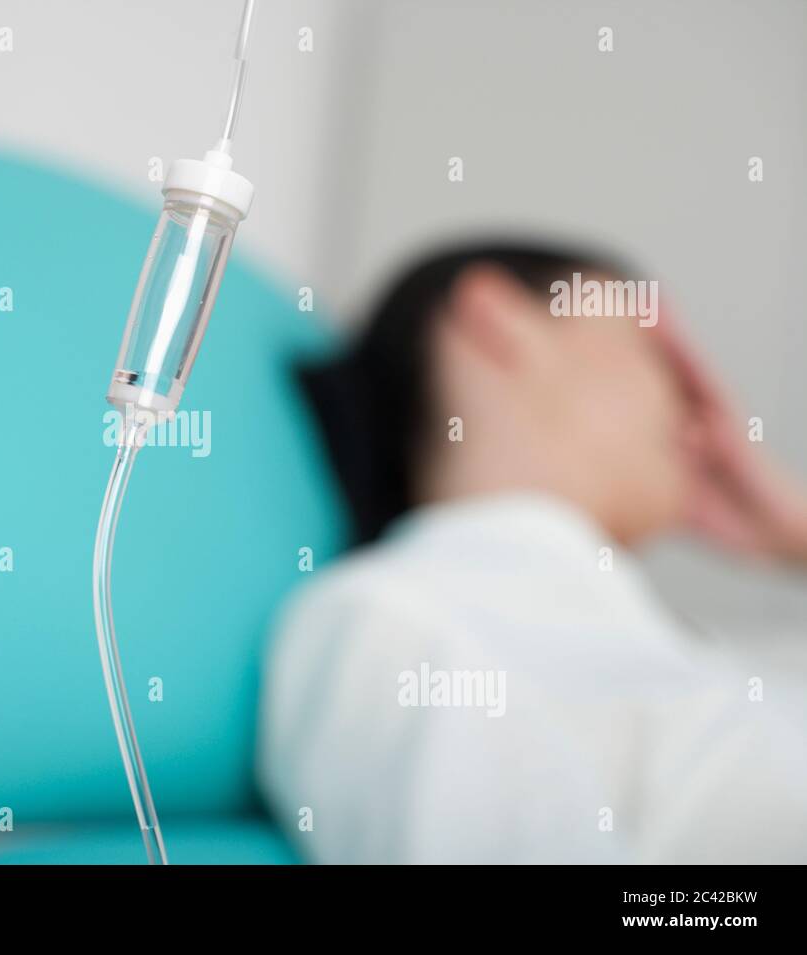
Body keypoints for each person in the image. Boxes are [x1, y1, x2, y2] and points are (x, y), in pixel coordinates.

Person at [257, 242, 807, 863]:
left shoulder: (686, 646)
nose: (706, 414)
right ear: (496, 316)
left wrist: (796, 535)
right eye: (663, 354)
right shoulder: (397, 624)